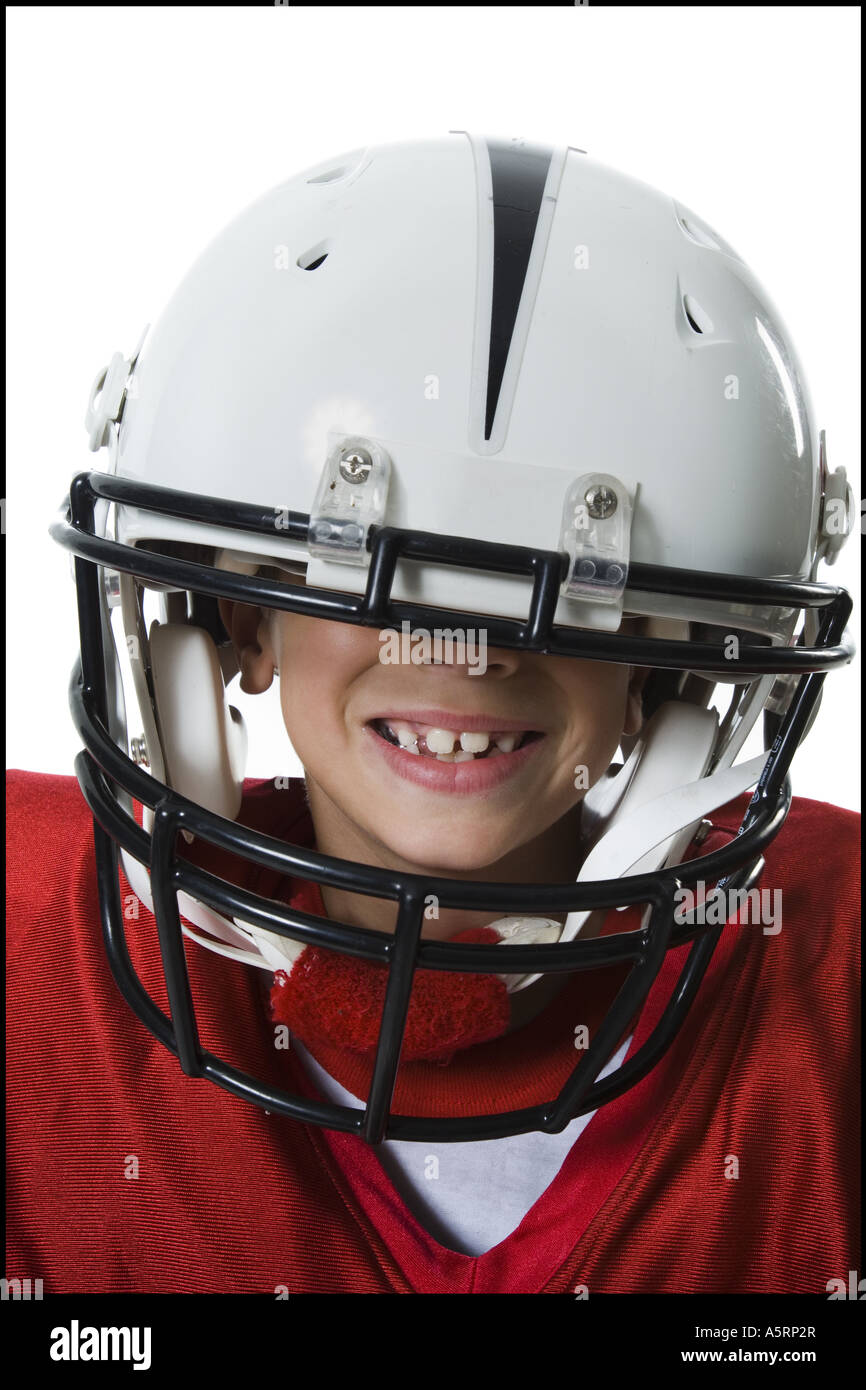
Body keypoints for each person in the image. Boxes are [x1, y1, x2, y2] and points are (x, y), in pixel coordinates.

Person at [6, 134, 858, 1294]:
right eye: (375, 580)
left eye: (568, 591)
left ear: (659, 679)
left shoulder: (826, 969)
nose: (465, 659)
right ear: (235, 626)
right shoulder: (36, 961)